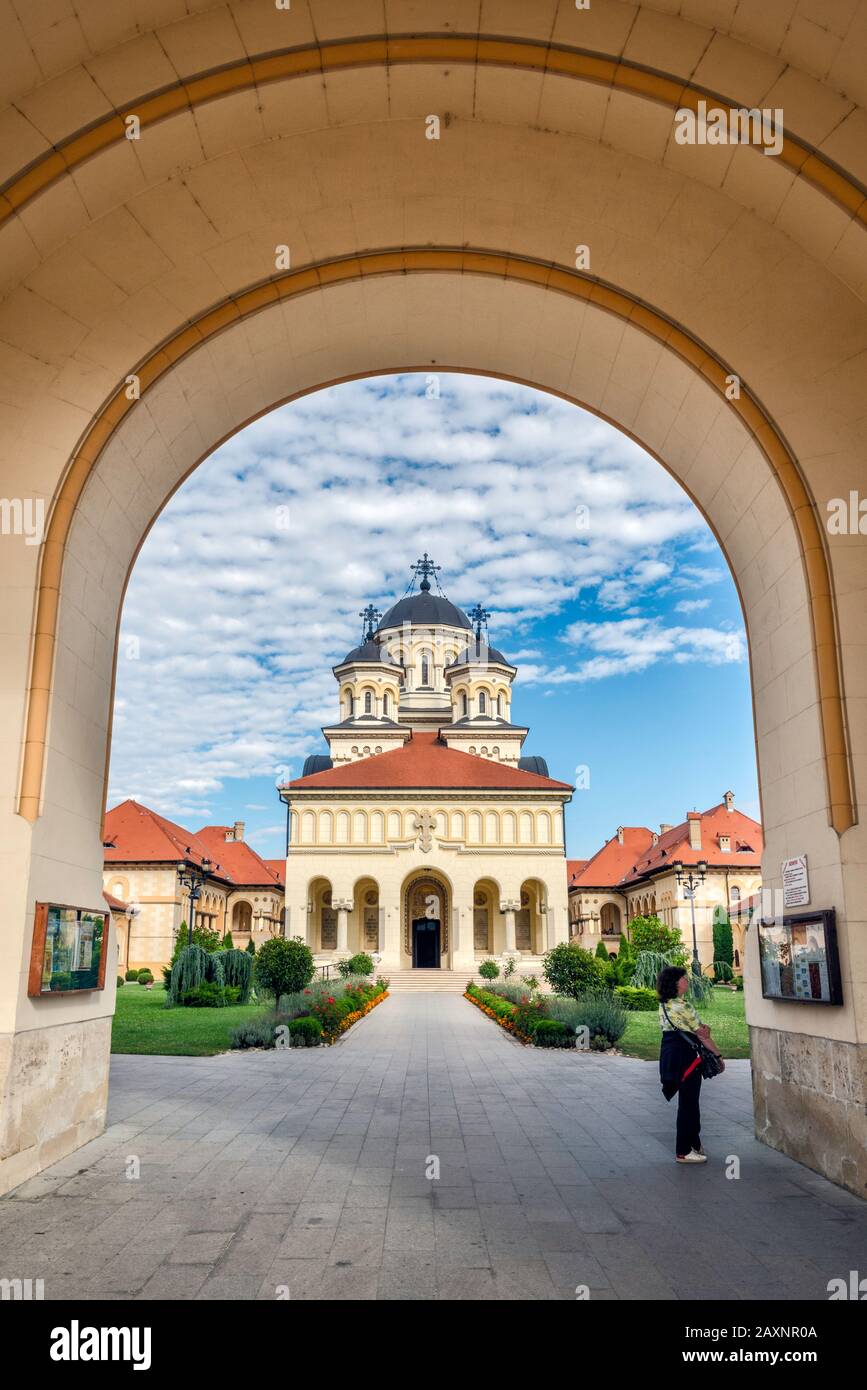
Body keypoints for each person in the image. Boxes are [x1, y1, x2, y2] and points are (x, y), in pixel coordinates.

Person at [657, 965, 724, 1164]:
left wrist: (701, 1030)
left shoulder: (664, 1004)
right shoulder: (683, 1006)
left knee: (688, 1102)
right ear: (676, 983)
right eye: (684, 978)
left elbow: (690, 1030)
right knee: (688, 1104)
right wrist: (718, 1056)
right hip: (687, 1058)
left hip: (670, 1056)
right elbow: (702, 1036)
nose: (687, 981)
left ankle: (694, 1144)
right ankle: (684, 1151)